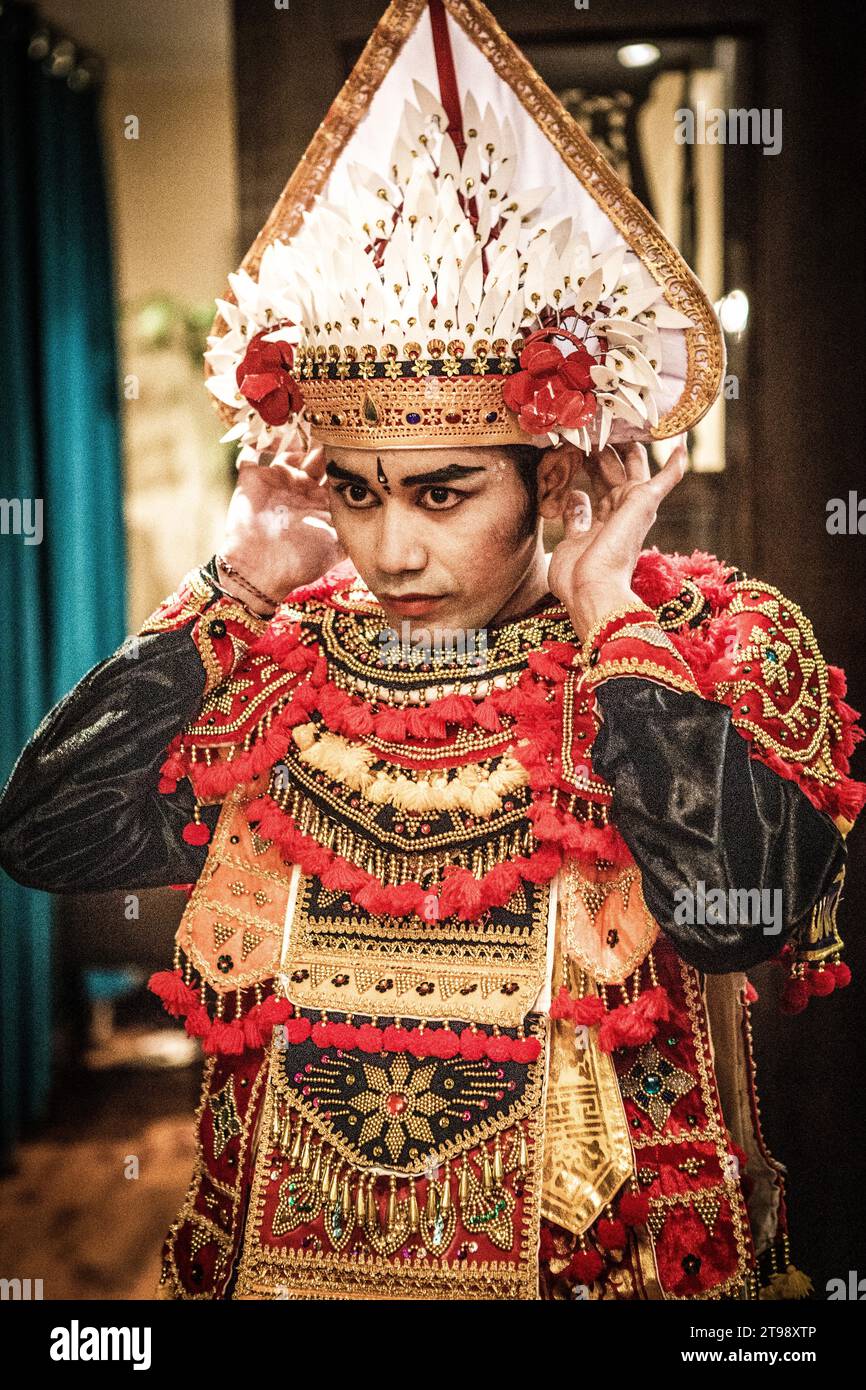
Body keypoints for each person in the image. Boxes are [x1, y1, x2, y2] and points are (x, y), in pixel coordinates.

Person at [1, 0, 863, 1301]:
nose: (389, 549)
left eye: (441, 492)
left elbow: (744, 911)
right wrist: (238, 580)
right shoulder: (280, 670)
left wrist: (605, 606)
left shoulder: (698, 645)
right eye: (355, 490)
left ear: (553, 472)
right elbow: (46, 832)